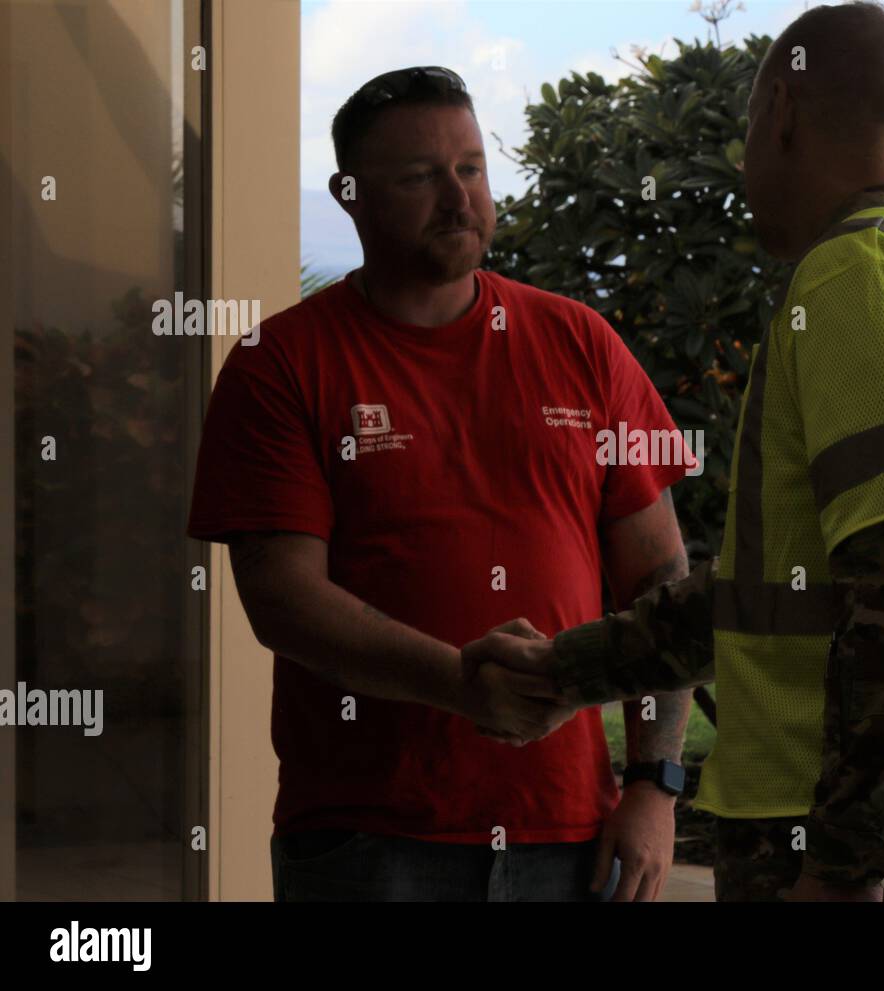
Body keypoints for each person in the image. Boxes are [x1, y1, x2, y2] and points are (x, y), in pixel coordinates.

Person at [464, 3, 884, 903]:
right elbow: (786, 594)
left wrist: (841, 869)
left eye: (751, 124)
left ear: (780, 115)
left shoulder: (856, 275)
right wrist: (568, 672)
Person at [187, 66, 695, 902]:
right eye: (421, 176)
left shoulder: (582, 343)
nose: (459, 199)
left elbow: (659, 579)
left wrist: (655, 781)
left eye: (471, 168)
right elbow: (282, 597)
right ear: (348, 195)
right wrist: (462, 686)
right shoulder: (279, 363)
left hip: (571, 833)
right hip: (367, 839)